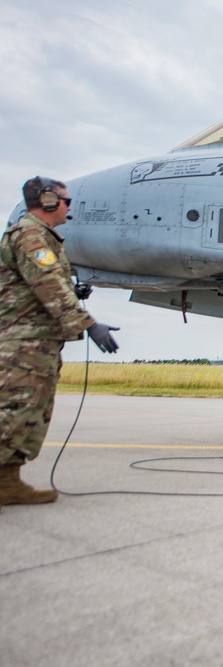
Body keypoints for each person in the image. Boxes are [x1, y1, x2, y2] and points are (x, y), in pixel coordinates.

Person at [0, 176, 120, 509]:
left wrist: (74, 295)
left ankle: (7, 482)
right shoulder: (32, 236)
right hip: (23, 345)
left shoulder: (39, 237)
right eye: (67, 201)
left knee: (28, 413)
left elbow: (44, 286)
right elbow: (49, 287)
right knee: (14, 412)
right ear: (49, 201)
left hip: (35, 342)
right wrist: (90, 325)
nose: (70, 207)